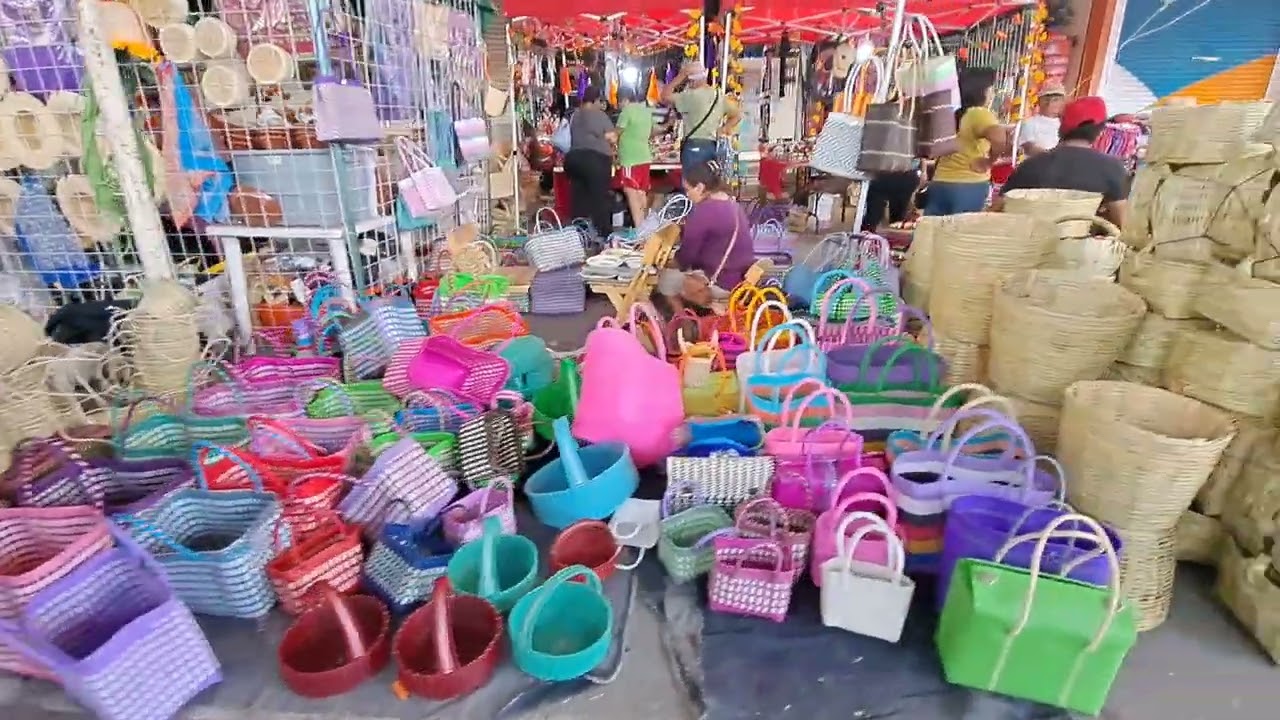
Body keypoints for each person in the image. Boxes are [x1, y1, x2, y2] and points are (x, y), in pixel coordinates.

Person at [993, 96, 1130, 229]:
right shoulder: (1112, 168)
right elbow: (1123, 224)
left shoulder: (1030, 165)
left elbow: (995, 211)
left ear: (1061, 129)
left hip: (1029, 246)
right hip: (1079, 249)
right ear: (1100, 131)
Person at [658, 161, 754, 311]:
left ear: (700, 187)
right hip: (742, 277)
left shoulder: (703, 212)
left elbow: (684, 260)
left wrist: (662, 262)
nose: (687, 195)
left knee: (665, 278)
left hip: (722, 282)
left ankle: (683, 322)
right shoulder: (731, 203)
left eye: (688, 190)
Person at [927, 67, 1009, 215]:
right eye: (991, 89)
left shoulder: (950, 112)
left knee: (932, 233)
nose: (993, 93)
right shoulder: (979, 113)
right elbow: (999, 137)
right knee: (960, 235)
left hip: (940, 181)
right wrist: (989, 161)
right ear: (982, 90)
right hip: (968, 183)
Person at [660, 61, 742, 174]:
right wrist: (723, 129)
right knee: (706, 183)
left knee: (691, 184)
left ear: (692, 80)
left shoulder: (691, 96)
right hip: (711, 146)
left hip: (693, 147)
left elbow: (664, 96)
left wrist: (680, 76)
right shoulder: (719, 96)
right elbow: (737, 115)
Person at [563, 85, 617, 238]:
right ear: (596, 101)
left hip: (573, 160)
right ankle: (606, 235)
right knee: (599, 198)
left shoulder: (575, 115)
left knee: (579, 197)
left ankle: (579, 233)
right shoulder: (598, 114)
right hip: (595, 160)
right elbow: (612, 137)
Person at [615, 88, 656, 228]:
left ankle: (639, 229)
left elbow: (616, 134)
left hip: (630, 158)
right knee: (641, 192)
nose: (619, 106)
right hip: (644, 156)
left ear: (624, 100)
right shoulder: (646, 111)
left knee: (631, 192)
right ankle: (645, 227)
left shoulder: (626, 111)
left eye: (619, 102)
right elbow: (651, 132)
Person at [1017, 81, 1067, 157]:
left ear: (1063, 102)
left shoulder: (1066, 125)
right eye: (1046, 99)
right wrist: (1053, 156)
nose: (1050, 103)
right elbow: (1029, 148)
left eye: (1055, 99)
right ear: (1039, 101)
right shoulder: (1030, 123)